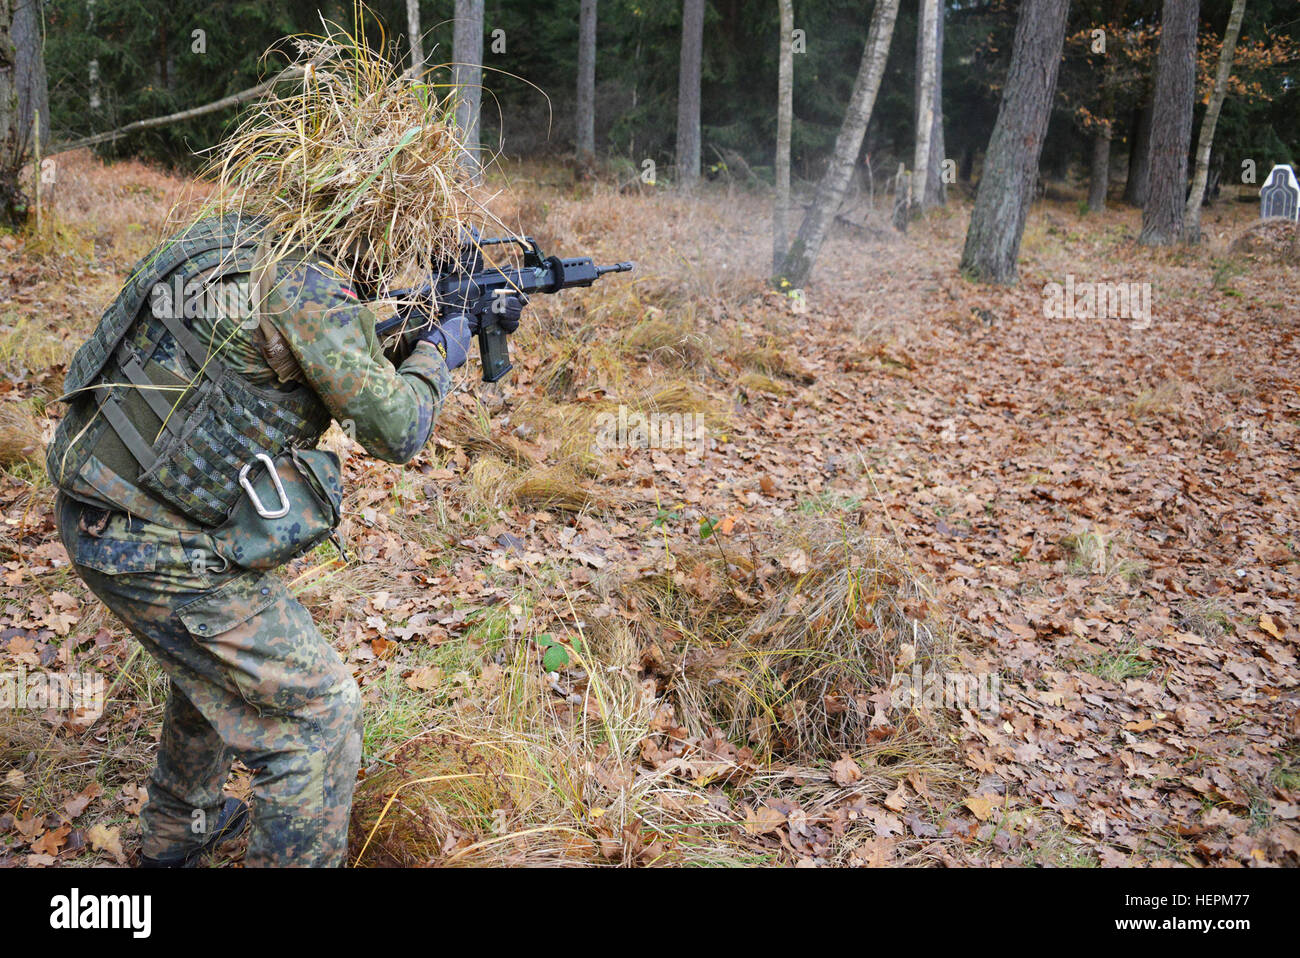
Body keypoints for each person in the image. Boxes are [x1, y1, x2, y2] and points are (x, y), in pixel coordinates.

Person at [44, 36, 524, 867]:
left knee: (221, 670)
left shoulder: (229, 234)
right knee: (318, 713)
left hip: (101, 505)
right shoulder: (307, 285)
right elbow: (399, 429)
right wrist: (440, 348)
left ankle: (174, 834)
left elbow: (275, 344)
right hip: (149, 541)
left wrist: (403, 325)